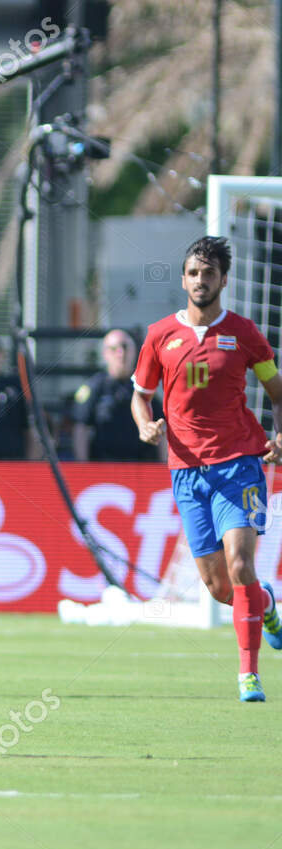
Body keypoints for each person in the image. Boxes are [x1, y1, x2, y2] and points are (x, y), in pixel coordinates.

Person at [132, 236, 282, 702]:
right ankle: (271, 607)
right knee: (220, 588)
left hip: (240, 463)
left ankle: (248, 675)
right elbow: (141, 395)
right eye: (194, 273)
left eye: (209, 273)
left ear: (223, 280)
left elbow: (277, 391)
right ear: (183, 279)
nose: (201, 280)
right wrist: (145, 426)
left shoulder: (244, 333)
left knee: (241, 564)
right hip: (186, 471)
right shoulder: (160, 335)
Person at [72, 329, 162, 462]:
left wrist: (163, 467)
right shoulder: (94, 388)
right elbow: (81, 428)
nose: (121, 353)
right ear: (105, 354)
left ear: (134, 351)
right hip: (103, 468)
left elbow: (161, 428)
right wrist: (82, 468)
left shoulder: (146, 387)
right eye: (114, 349)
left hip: (141, 469)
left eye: (125, 347)